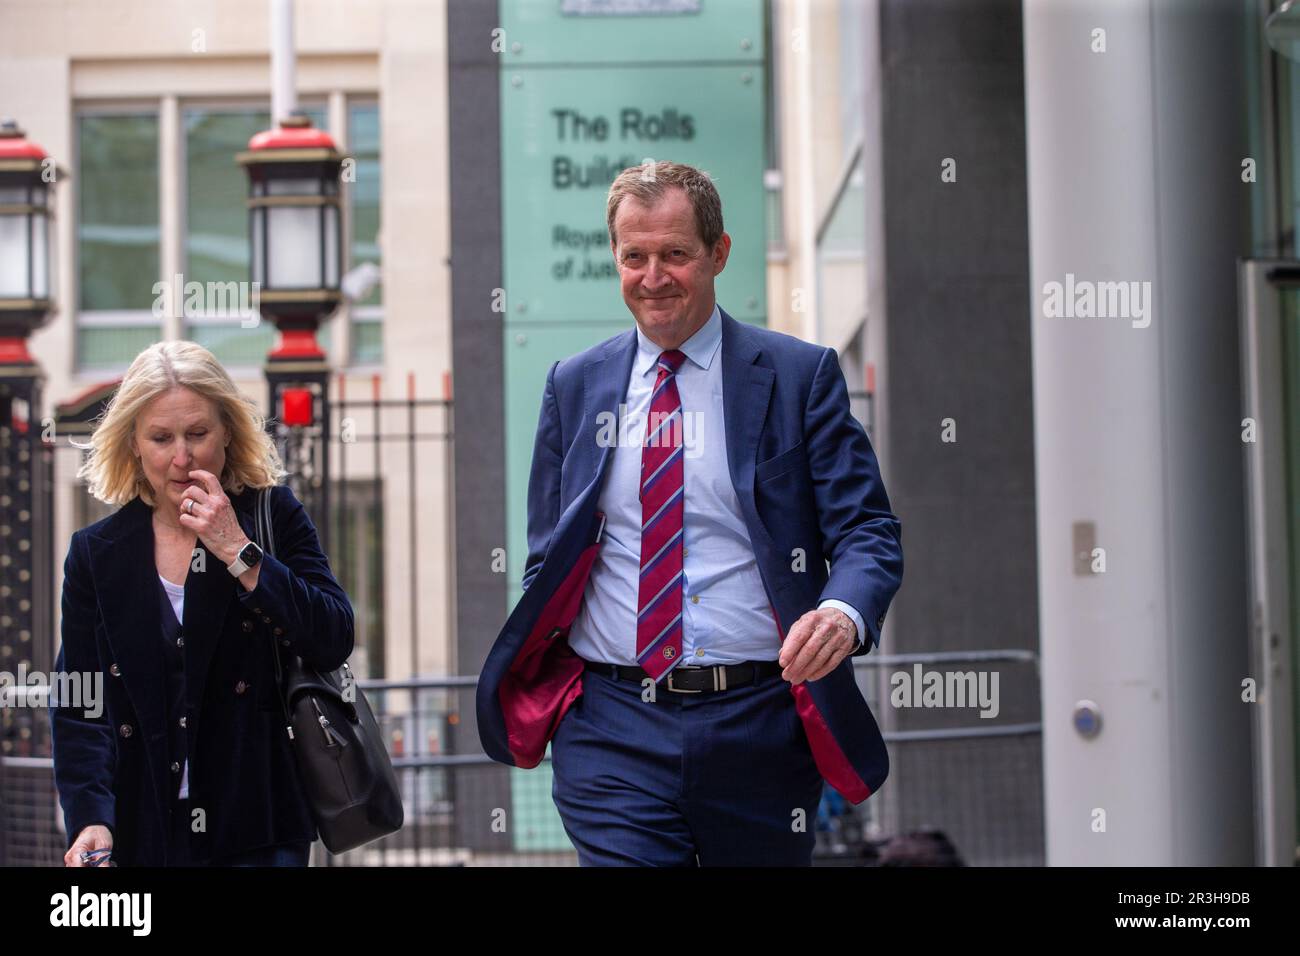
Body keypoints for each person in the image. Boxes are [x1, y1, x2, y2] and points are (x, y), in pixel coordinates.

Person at [477, 161, 904, 865]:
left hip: (761, 722)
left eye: (675, 254)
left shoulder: (800, 378)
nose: (653, 277)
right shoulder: (576, 385)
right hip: (611, 726)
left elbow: (867, 530)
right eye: (634, 256)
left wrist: (842, 612)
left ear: (718, 253)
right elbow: (549, 555)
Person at [51, 341, 354, 867]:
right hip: (143, 832)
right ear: (134, 444)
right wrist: (91, 817)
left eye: (197, 434)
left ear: (228, 432)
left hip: (258, 827)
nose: (181, 457)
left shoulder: (271, 516)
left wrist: (239, 551)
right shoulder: (95, 555)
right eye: (161, 437)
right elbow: (81, 702)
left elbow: (332, 635)